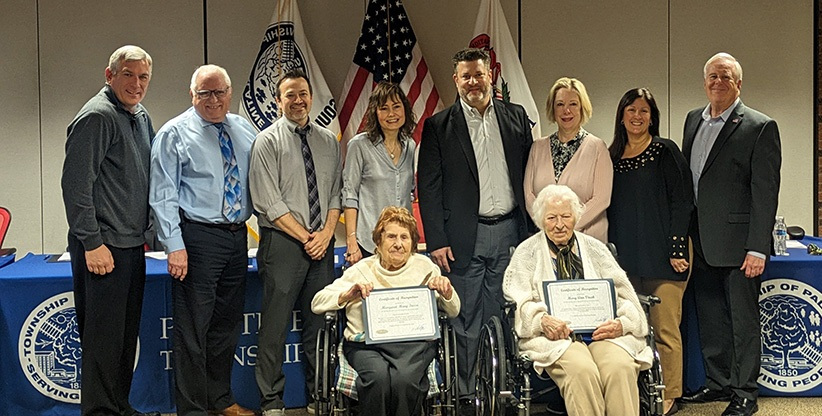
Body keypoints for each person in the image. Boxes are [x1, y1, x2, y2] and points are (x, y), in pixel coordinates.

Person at [417, 47, 533, 399]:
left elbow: (528, 174)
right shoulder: (438, 126)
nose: (473, 82)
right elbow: (429, 186)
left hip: (511, 230)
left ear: (490, 76)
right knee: (465, 317)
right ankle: (467, 393)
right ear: (456, 80)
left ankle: (500, 389)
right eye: (465, 76)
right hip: (465, 237)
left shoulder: (516, 116)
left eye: (478, 74)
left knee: (503, 311)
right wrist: (436, 240)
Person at [149, 65, 256, 416]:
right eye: (204, 93)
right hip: (196, 239)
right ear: (192, 95)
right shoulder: (174, 133)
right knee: (193, 330)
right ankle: (193, 409)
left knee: (226, 326)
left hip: (237, 237)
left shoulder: (243, 129)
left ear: (230, 91)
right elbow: (162, 195)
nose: (214, 100)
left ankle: (220, 399)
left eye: (219, 92)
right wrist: (174, 246)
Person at [61, 45, 160, 416]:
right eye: (128, 75)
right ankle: (100, 411)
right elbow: (75, 186)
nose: (137, 84)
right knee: (103, 341)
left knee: (123, 338)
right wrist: (92, 242)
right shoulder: (97, 117)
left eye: (143, 77)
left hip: (132, 245)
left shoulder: (140, 115)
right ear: (109, 75)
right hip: (103, 248)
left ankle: (119, 406)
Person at [679, 53, 781, 416]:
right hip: (701, 242)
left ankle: (745, 394)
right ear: (704, 81)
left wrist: (758, 247)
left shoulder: (759, 126)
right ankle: (717, 384)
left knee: (742, 322)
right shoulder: (693, 120)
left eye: (725, 76)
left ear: (739, 83)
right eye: (712, 76)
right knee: (711, 318)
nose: (717, 82)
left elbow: (765, 193)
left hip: (740, 247)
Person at [503, 184, 652, 416]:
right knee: (582, 370)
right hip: (556, 339)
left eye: (566, 216)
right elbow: (519, 300)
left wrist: (622, 323)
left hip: (602, 333)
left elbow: (624, 294)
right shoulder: (527, 253)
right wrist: (542, 321)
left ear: (577, 217)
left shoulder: (595, 248)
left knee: (620, 367)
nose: (560, 224)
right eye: (552, 217)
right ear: (541, 220)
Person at [249, 69, 342, 416]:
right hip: (284, 244)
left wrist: (326, 234)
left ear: (310, 97)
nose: (298, 100)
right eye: (290, 95)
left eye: (303, 94)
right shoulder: (266, 142)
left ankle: (319, 396)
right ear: (278, 101)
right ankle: (272, 402)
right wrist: (307, 237)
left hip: (321, 243)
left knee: (319, 326)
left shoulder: (327, 141)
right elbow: (268, 203)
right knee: (274, 327)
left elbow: (336, 193)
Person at [311, 206, 460, 416]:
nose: (398, 244)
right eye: (391, 236)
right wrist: (347, 295)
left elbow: (453, 311)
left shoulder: (425, 267)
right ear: (378, 242)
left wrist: (446, 292)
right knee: (377, 379)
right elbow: (317, 302)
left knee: (405, 380)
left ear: (412, 243)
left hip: (413, 345)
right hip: (367, 346)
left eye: (404, 237)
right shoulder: (361, 270)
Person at [607, 87, 693, 416]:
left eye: (644, 111)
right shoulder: (612, 156)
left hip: (666, 257)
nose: (637, 117)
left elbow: (683, 202)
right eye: (631, 110)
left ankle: (669, 394)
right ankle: (638, 392)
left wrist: (676, 248)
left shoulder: (664, 151)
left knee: (665, 329)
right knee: (631, 330)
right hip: (627, 260)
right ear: (622, 116)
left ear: (652, 117)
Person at [523, 77, 612, 243]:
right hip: (545, 241)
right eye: (560, 104)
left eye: (573, 104)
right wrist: (548, 227)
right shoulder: (537, 147)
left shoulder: (597, 147)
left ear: (582, 108)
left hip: (586, 240)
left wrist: (564, 227)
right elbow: (529, 195)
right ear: (553, 108)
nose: (566, 111)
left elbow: (601, 199)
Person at [342, 82, 416, 264]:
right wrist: (352, 241)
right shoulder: (359, 145)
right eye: (384, 108)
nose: (392, 114)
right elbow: (350, 195)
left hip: (402, 246)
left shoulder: (410, 146)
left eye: (396, 107)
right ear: (375, 113)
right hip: (369, 244)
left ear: (405, 110)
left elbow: (410, 193)